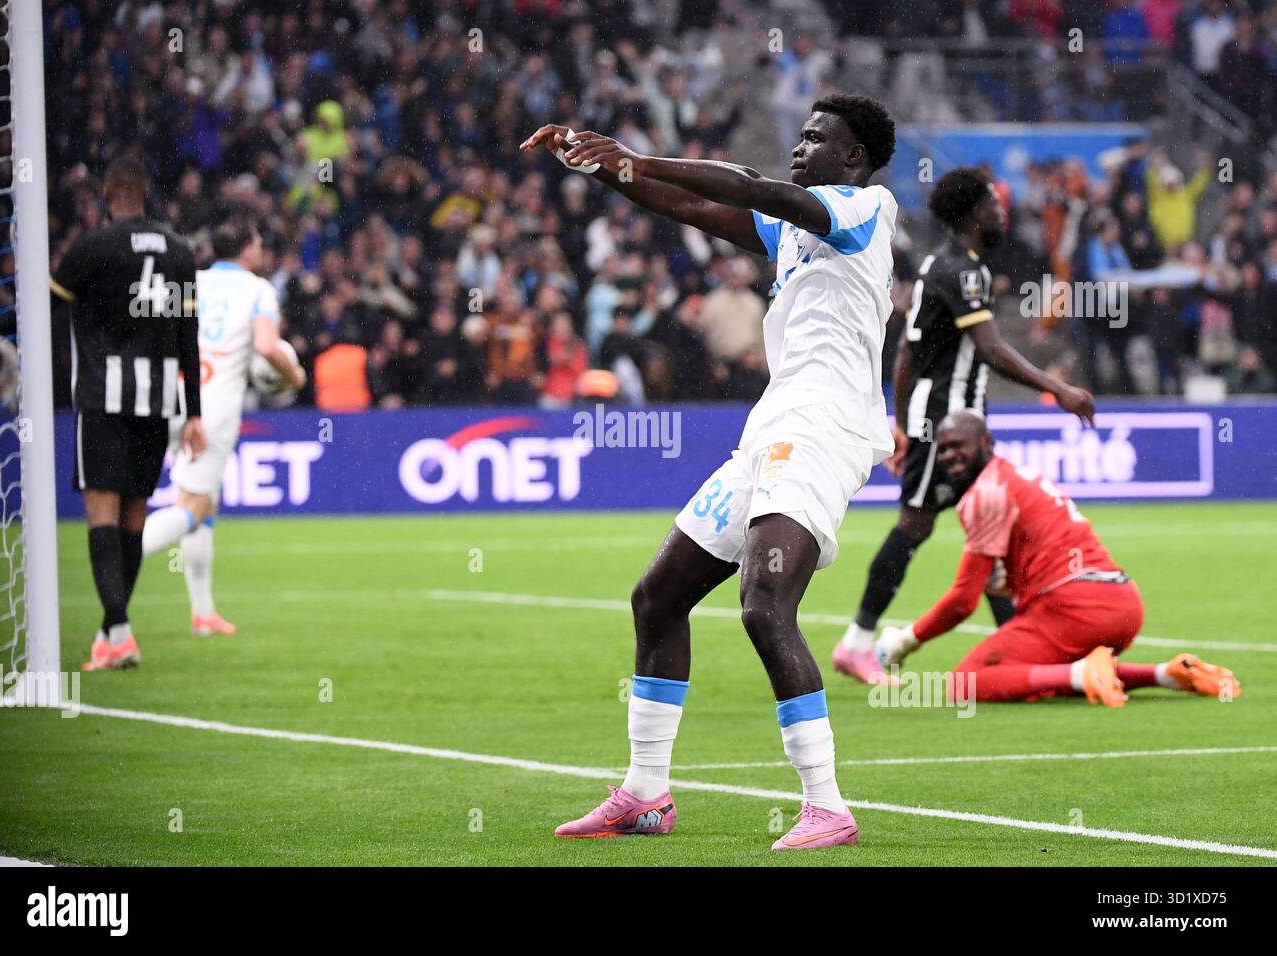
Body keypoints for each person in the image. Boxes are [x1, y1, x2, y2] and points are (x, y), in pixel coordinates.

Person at [522, 92, 899, 850]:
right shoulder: (794, 232)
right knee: (658, 598)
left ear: (853, 157)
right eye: (797, 134)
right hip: (770, 430)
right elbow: (690, 204)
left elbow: (752, 186)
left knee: (764, 606)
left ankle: (827, 805)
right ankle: (646, 794)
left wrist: (634, 154)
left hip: (825, 428)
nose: (801, 146)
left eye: (817, 138)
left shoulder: (866, 209)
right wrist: (603, 167)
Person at [834, 168, 1095, 685]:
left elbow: (907, 353)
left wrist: (901, 421)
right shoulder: (964, 271)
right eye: (995, 206)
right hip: (947, 422)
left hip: (953, 420)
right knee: (917, 523)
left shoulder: (942, 264)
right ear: (976, 211)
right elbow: (992, 350)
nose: (1002, 213)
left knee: (993, 521)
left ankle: (1016, 643)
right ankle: (858, 643)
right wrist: (1059, 389)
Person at [874, 411, 1240, 706]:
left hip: (1075, 609)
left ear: (986, 443)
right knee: (1035, 672)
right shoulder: (1015, 476)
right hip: (1122, 604)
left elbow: (962, 602)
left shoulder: (983, 495)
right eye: (944, 448)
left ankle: (1082, 675)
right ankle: (1167, 674)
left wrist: (906, 639)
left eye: (959, 446)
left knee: (964, 683)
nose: (950, 455)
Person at [57, 158, 206, 670]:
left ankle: (118, 630)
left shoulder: (93, 247)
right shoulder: (181, 252)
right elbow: (189, 337)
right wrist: (194, 414)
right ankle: (111, 631)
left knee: (102, 510)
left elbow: (48, 306)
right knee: (133, 517)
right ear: (146, 196)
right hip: (158, 401)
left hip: (102, 399)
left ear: (107, 198)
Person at [140, 221, 305, 634]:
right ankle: (122, 550)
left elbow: (158, 333)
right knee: (193, 506)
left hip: (169, 396)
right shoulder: (258, 289)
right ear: (247, 250)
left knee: (204, 502)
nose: (262, 248)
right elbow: (267, 347)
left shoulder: (188, 281)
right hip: (211, 408)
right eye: (258, 241)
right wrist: (295, 377)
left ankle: (203, 613)